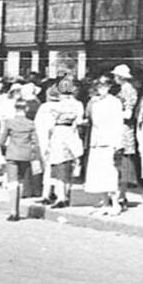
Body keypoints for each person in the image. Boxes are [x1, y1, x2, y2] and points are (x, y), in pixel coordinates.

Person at [37, 79, 84, 208]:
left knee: (58, 164)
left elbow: (50, 124)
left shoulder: (55, 106)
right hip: (72, 133)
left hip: (59, 133)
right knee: (68, 164)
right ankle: (66, 194)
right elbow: (79, 121)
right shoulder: (78, 104)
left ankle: (61, 196)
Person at [84, 75, 126, 216]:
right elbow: (90, 118)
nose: (102, 89)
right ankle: (105, 203)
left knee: (110, 173)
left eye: (105, 86)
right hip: (97, 141)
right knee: (98, 173)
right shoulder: (94, 102)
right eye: (99, 86)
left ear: (109, 87)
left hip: (109, 141)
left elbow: (118, 123)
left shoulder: (114, 102)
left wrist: (117, 144)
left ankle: (115, 204)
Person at [0, 98, 41, 221]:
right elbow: (35, 142)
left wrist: (4, 151)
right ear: (26, 109)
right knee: (21, 182)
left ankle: (13, 211)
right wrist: (34, 157)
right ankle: (18, 210)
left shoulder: (9, 122)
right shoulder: (30, 123)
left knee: (12, 183)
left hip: (12, 154)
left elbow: (1, 141)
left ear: (15, 108)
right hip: (25, 155)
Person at [113, 65, 139, 207]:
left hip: (123, 128)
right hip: (123, 127)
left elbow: (128, 112)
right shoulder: (125, 89)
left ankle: (121, 194)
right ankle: (121, 194)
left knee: (122, 161)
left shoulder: (127, 90)